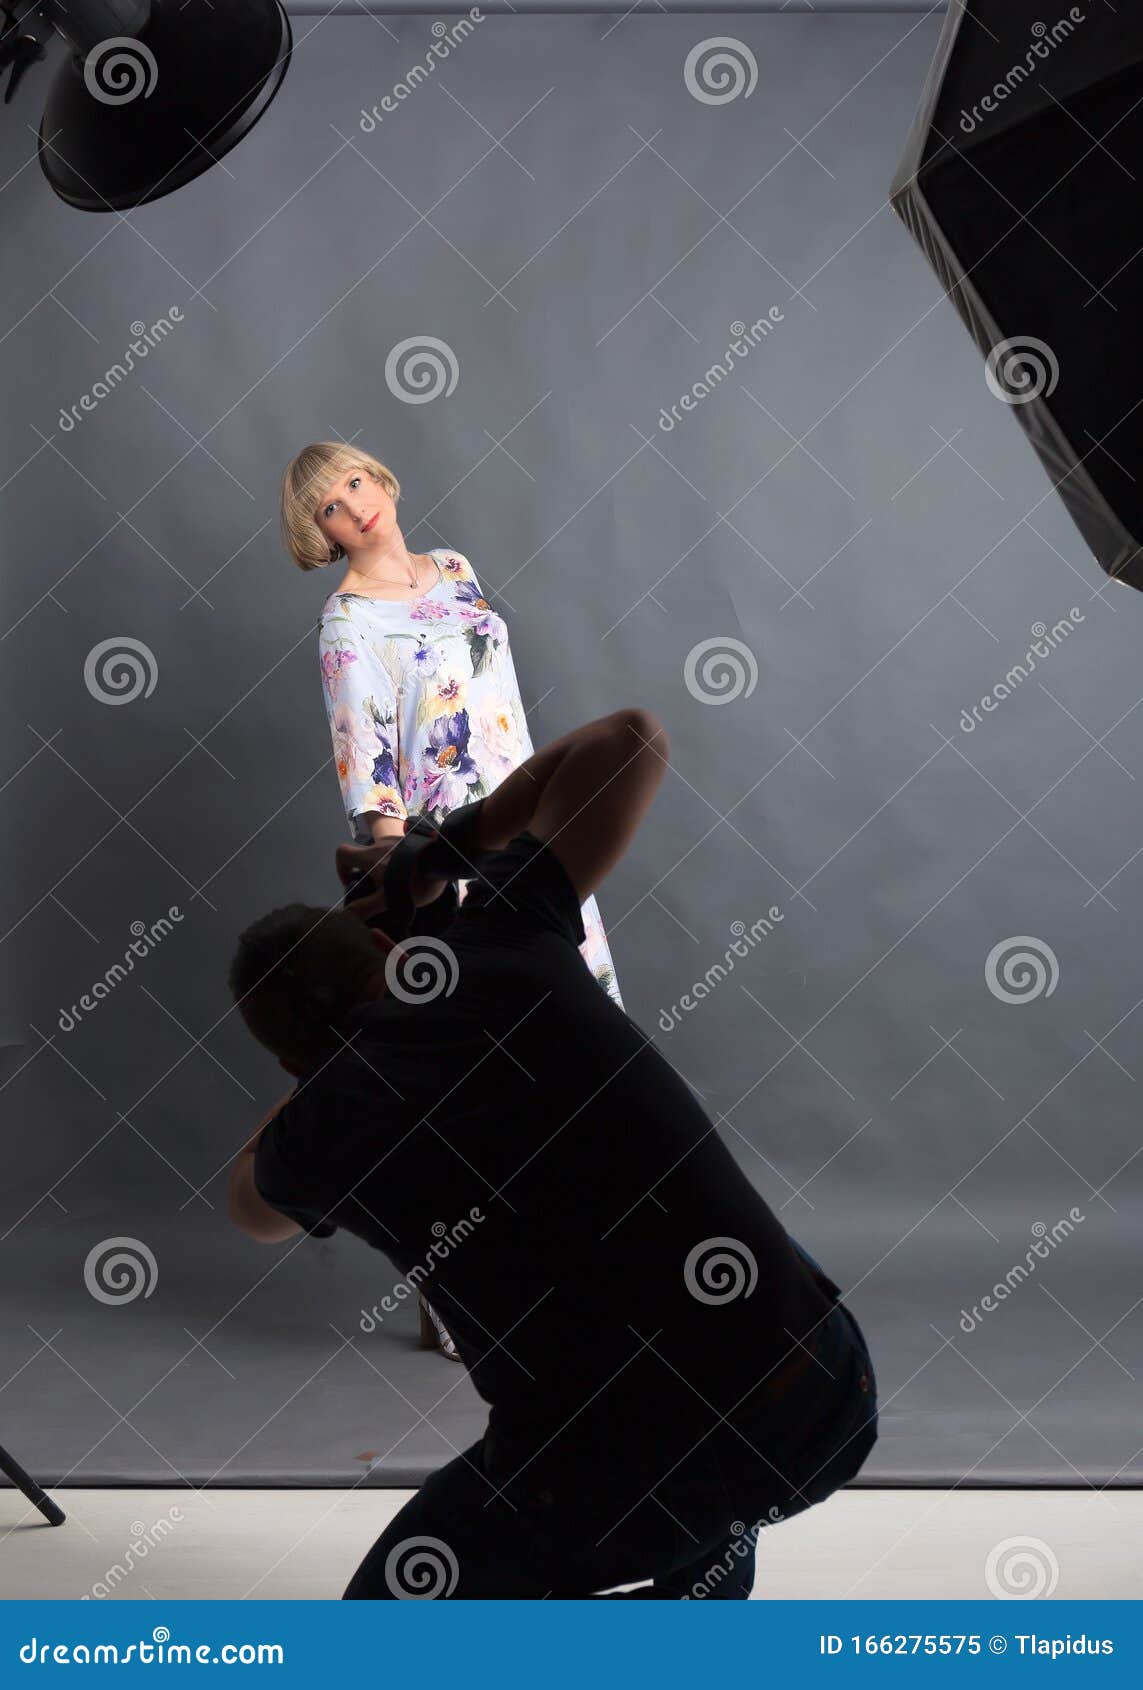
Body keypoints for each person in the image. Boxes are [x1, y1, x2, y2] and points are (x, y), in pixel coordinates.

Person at [227, 707, 878, 1599]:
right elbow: (631, 743)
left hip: (628, 1472)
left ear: (289, 1063)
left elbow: (247, 1208)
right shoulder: (499, 945)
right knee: (687, 1364)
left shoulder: (318, 1135)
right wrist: (434, 857)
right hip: (818, 1391)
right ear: (386, 944)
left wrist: (325, 1069)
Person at [278, 442, 625, 1361]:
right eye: (326, 507)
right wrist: (400, 906)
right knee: (474, 1082)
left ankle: (577, 1272)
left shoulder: (456, 570)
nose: (351, 507)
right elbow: (372, 775)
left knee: (577, 1049)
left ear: (381, 480)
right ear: (317, 535)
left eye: (354, 482)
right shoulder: (346, 627)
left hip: (533, 841)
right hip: (448, 865)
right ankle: (459, 1296)